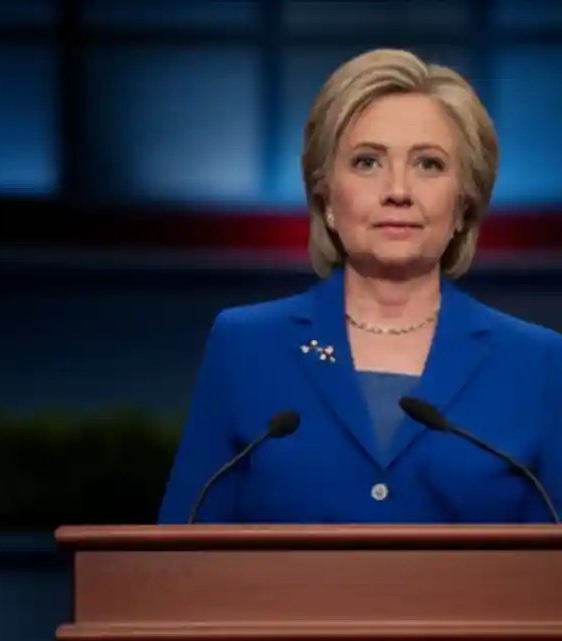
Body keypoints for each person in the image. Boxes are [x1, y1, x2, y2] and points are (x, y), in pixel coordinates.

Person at [157, 48, 562, 524]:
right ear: (326, 196)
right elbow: (180, 559)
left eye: (428, 164)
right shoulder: (246, 346)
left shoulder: (536, 363)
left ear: (463, 205)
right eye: (368, 162)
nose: (398, 190)